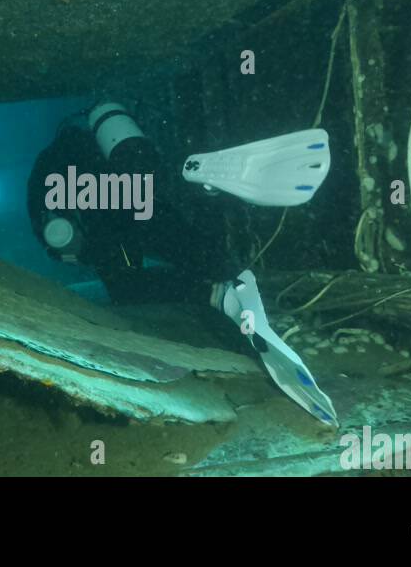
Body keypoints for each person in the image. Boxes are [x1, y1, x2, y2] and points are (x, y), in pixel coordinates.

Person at [27, 101, 339, 426]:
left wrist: (75, 250)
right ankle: (217, 234)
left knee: (125, 287)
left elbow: (47, 223)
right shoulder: (101, 145)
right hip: (141, 196)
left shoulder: (48, 162)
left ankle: (212, 293)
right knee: (186, 244)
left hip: (106, 221)